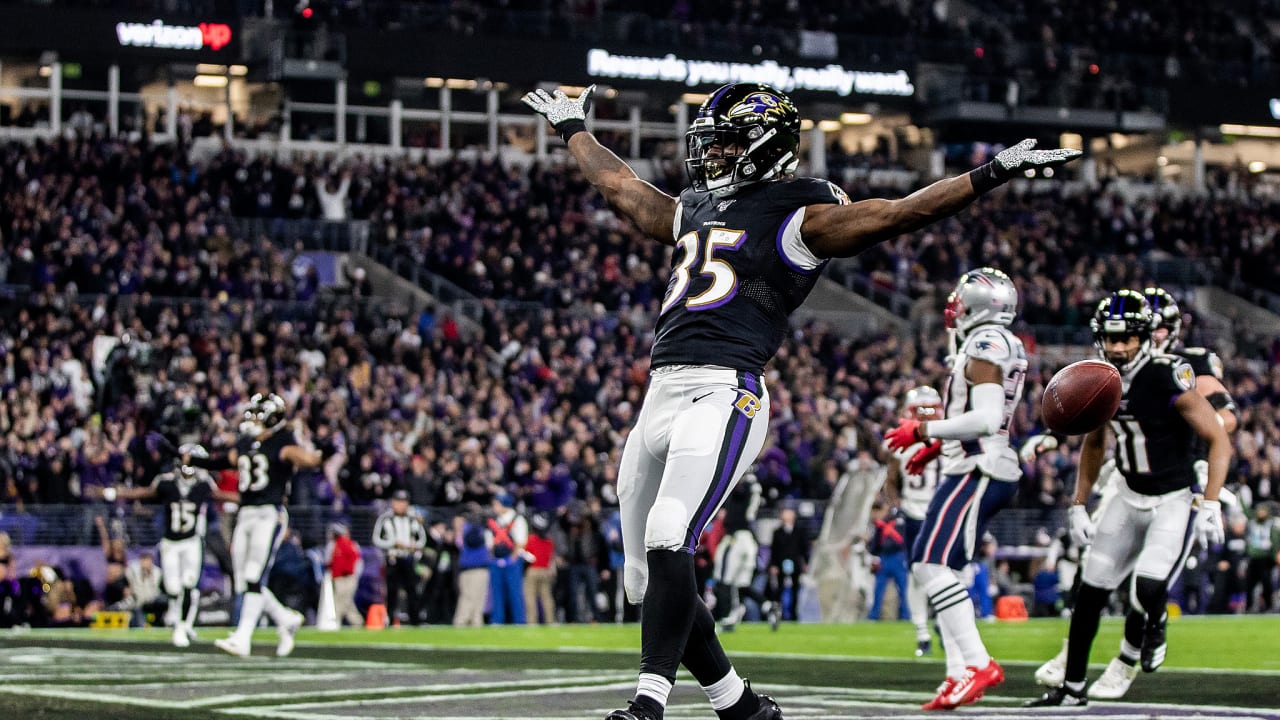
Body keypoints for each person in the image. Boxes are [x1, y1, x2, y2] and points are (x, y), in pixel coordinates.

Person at [523, 81, 1079, 720]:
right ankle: (741, 707)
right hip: (661, 393)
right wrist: (572, 128)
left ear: (766, 145)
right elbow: (620, 188)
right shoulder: (698, 206)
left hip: (724, 390)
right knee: (645, 577)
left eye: (729, 142)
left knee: (669, 532)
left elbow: (901, 212)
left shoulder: (800, 213)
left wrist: (990, 173)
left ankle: (648, 703)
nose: (714, 155)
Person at [1035, 286, 1242, 699]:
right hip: (1127, 494)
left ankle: (1148, 630)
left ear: (1145, 336)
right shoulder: (1098, 378)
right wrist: (1078, 503)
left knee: (1147, 587)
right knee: (1089, 590)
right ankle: (1072, 687)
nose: (1117, 347)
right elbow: (1094, 443)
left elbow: (1220, 435)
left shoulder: (1169, 372)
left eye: (1126, 337)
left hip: (1173, 498)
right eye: (1110, 338)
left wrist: (1212, 501)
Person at [884, 267, 1028, 711]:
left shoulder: (986, 343)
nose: (955, 309)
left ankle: (978, 664)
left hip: (979, 468)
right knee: (943, 569)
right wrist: (938, 444)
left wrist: (925, 431)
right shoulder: (993, 341)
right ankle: (956, 672)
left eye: (961, 302)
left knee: (929, 563)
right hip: (975, 463)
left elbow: (985, 419)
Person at [165, 392, 333, 657]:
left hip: (269, 512)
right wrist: (194, 460)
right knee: (244, 581)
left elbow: (307, 459)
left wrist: (325, 452)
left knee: (255, 575)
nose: (252, 418)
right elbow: (224, 460)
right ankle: (285, 619)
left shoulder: (283, 441)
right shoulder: (246, 443)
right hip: (245, 513)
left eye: (257, 414)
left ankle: (243, 637)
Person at [106, 443, 237, 647]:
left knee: (189, 584)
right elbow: (143, 493)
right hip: (171, 543)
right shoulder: (167, 482)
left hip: (191, 541)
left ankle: (183, 626)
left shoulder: (204, 483)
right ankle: (179, 619)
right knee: (173, 587)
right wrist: (115, 493)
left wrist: (250, 499)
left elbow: (220, 495)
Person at [882, 386, 944, 656]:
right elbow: (891, 484)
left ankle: (943, 622)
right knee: (918, 574)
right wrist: (898, 507)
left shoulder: (950, 439)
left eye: (931, 412)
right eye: (922, 412)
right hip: (916, 515)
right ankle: (922, 631)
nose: (927, 418)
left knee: (947, 572)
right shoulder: (900, 443)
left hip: (942, 512)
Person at [373, 490, 427, 626]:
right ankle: (391, 620)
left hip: (408, 558)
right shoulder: (385, 519)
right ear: (393, 503)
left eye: (404, 502)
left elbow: (422, 538)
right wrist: (393, 543)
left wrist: (415, 546)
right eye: (399, 502)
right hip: (393, 558)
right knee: (392, 591)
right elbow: (376, 539)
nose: (401, 505)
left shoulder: (413, 519)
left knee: (412, 590)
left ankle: (415, 620)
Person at [488, 493, 528, 625]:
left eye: (496, 504)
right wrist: (493, 558)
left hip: (512, 561)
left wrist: (511, 559)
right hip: (496, 561)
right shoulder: (494, 521)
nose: (494, 507)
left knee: (515, 592)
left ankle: (519, 620)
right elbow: (490, 543)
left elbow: (520, 542)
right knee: (496, 593)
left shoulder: (517, 519)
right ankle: (497, 620)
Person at [866, 502, 909, 623]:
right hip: (884, 557)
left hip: (898, 556)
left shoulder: (897, 519)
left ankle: (906, 615)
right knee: (878, 589)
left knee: (903, 589)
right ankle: (874, 616)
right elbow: (876, 544)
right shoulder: (880, 525)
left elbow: (901, 540)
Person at [327, 522, 365, 628]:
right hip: (339, 577)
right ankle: (356, 621)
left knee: (343, 600)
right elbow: (329, 561)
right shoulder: (333, 545)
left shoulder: (352, 544)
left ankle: (337, 621)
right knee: (343, 600)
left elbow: (358, 561)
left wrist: (355, 576)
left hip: (349, 577)